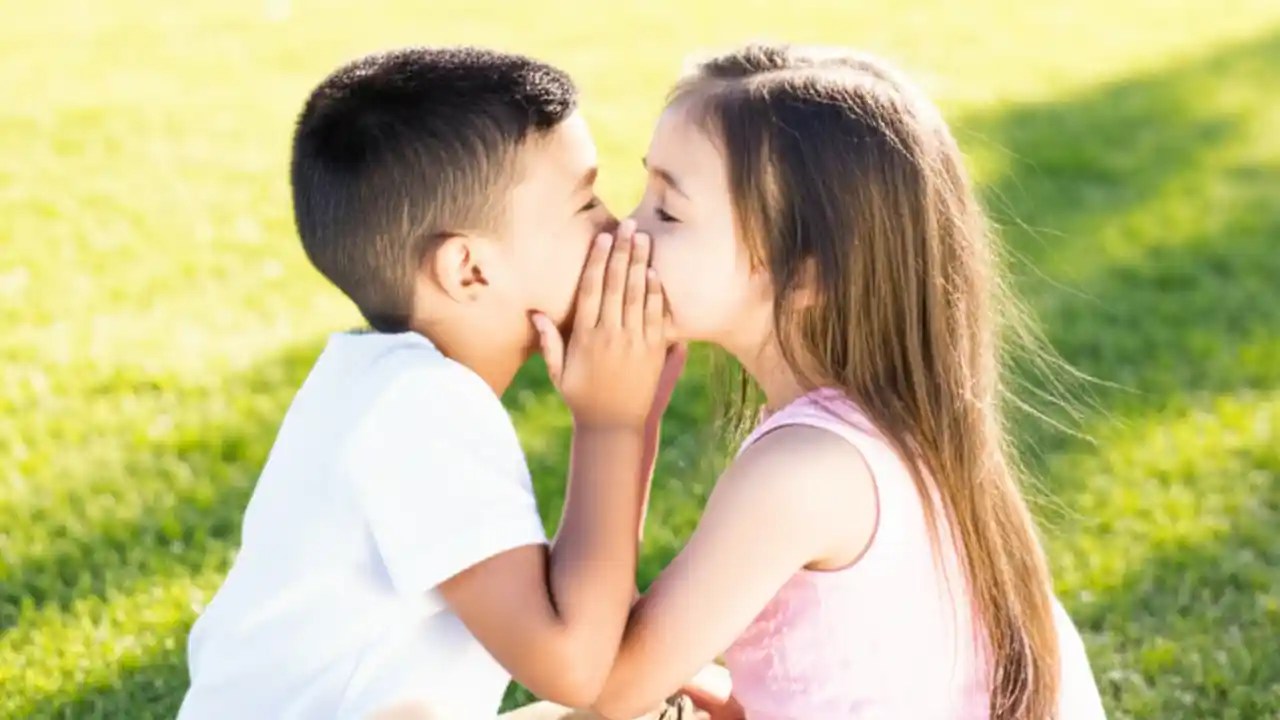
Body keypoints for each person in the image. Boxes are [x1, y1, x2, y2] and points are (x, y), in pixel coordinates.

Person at [582, 44, 1107, 719]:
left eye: (668, 213)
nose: (627, 232)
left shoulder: (804, 469)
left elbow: (606, 690)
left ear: (806, 274)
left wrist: (615, 425)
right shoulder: (903, 431)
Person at [178, 47, 681, 719]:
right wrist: (612, 423)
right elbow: (573, 666)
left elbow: (578, 624)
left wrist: (635, 415)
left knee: (662, 693)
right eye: (585, 202)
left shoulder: (381, 385)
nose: (616, 227)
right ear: (468, 270)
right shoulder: (421, 409)